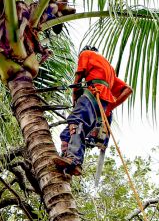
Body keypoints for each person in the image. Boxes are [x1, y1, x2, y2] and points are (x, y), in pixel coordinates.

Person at [53, 46, 133, 176]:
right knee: (66, 134)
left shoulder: (86, 53)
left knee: (76, 121)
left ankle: (74, 159)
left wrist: (74, 95)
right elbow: (128, 89)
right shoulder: (110, 70)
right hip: (102, 104)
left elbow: (79, 75)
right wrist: (110, 106)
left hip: (93, 93)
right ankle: (67, 162)